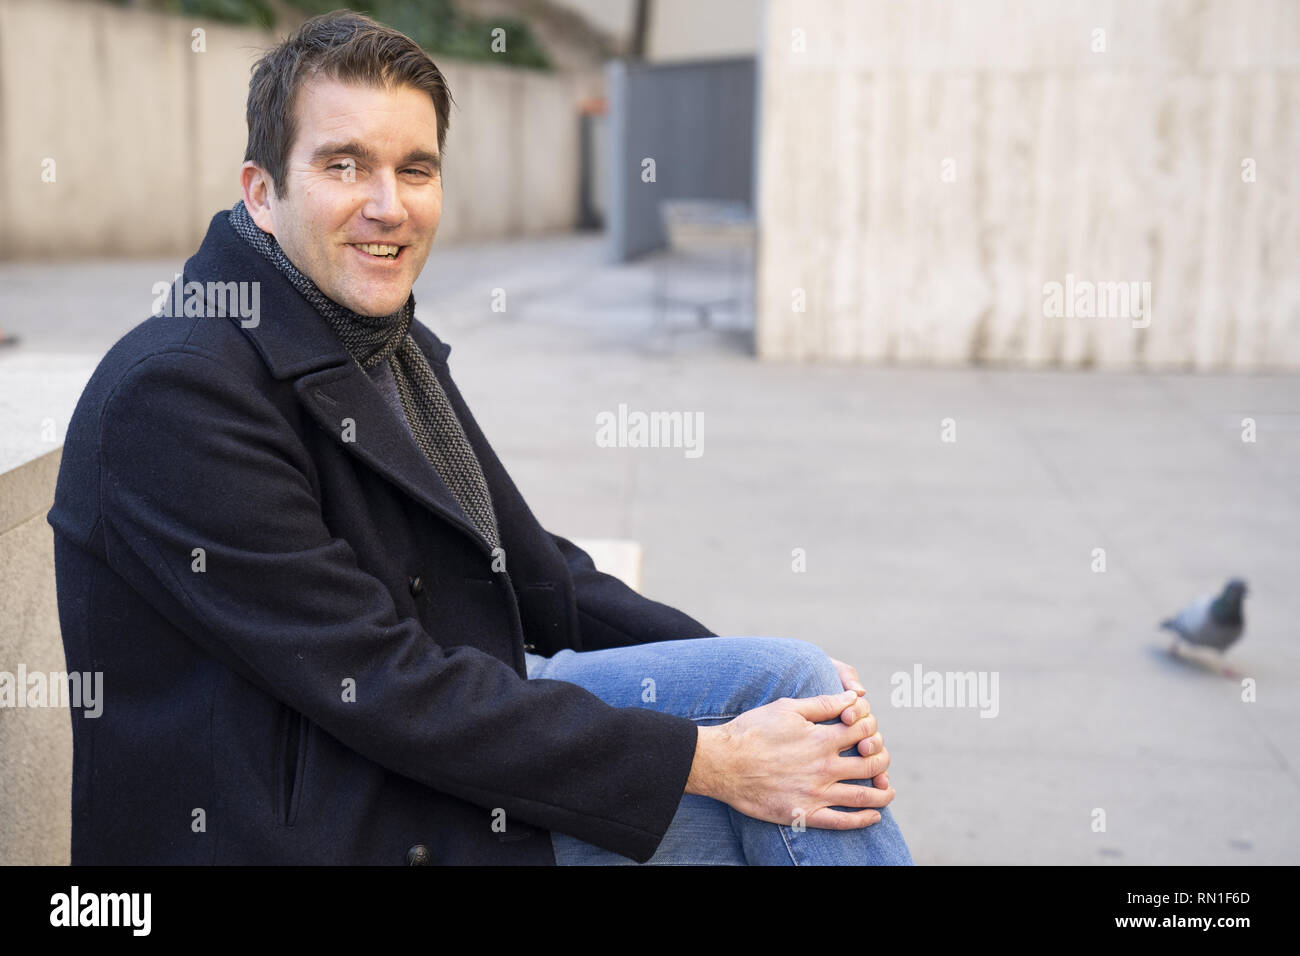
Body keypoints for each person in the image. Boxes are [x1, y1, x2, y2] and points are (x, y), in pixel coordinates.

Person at [47, 10, 911, 866]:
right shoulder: (177, 392)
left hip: (394, 753)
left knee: (798, 693)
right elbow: (382, 681)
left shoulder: (384, 346)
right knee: (771, 799)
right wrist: (712, 760)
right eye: (344, 166)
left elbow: (541, 577)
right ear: (262, 194)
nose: (388, 206)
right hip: (309, 816)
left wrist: (745, 679)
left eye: (414, 170)